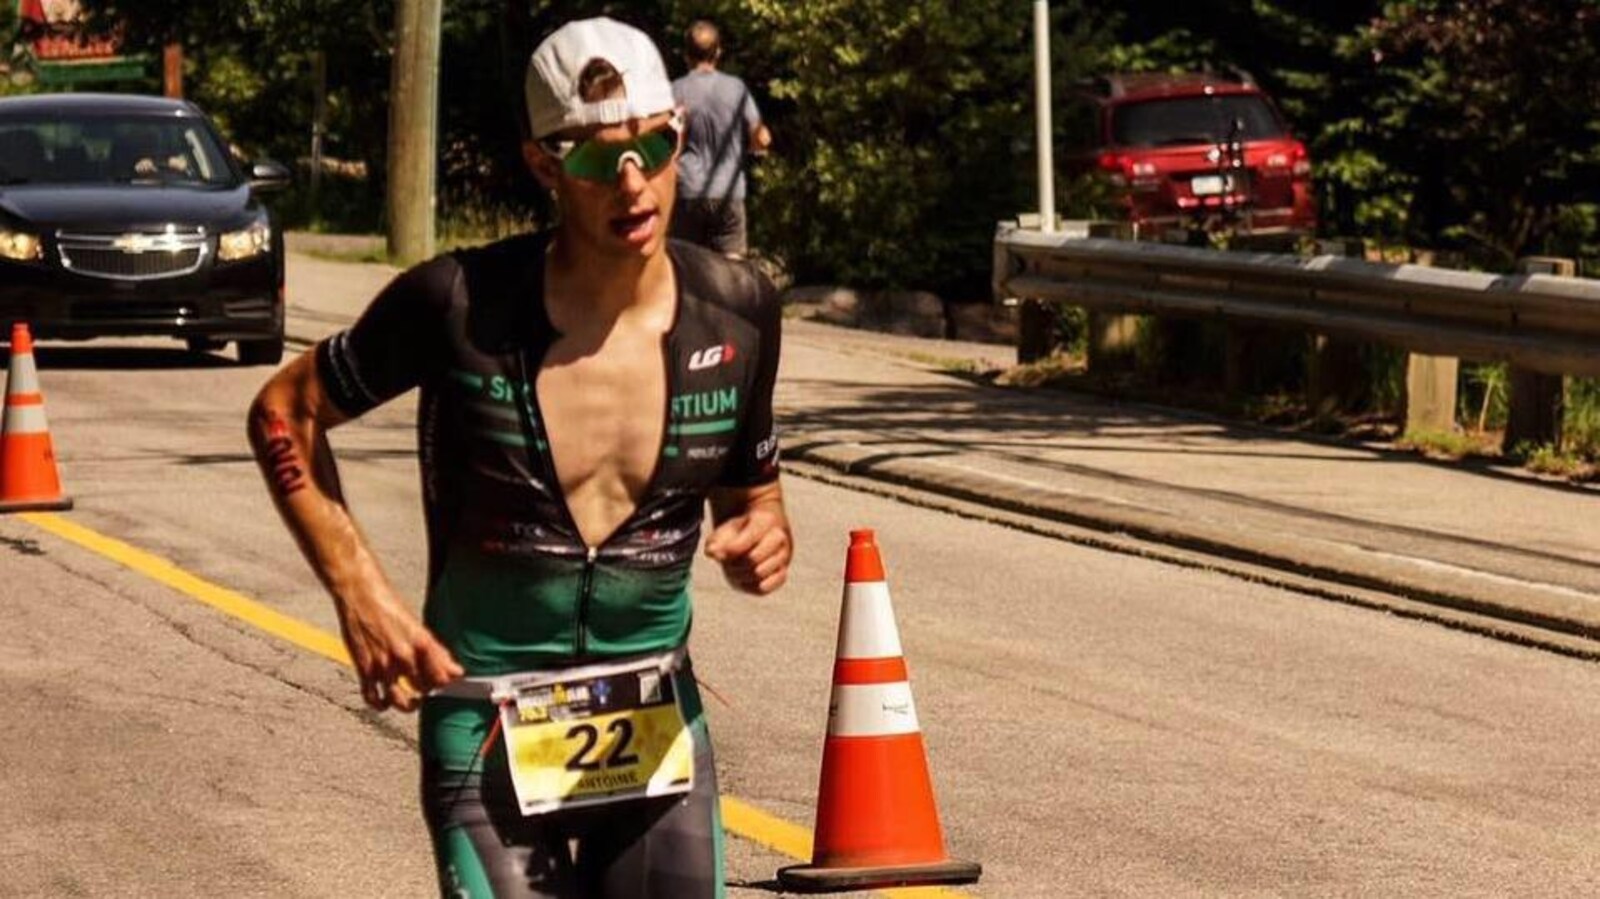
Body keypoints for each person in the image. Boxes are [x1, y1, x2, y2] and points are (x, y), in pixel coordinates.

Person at [246, 16, 791, 898]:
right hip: (487, 721)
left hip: (651, 716)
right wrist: (361, 594)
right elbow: (286, 410)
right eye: (591, 157)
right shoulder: (458, 303)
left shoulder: (739, 309)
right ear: (543, 163)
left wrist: (765, 535)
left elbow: (754, 500)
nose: (630, 181)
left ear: (679, 134)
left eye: (652, 144)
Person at [669, 18, 771, 258]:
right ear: (718, 53)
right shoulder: (736, 88)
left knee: (688, 268)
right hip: (729, 192)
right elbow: (762, 138)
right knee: (733, 271)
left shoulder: (676, 90)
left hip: (689, 190)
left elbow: (673, 137)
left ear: (686, 55)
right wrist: (756, 146)